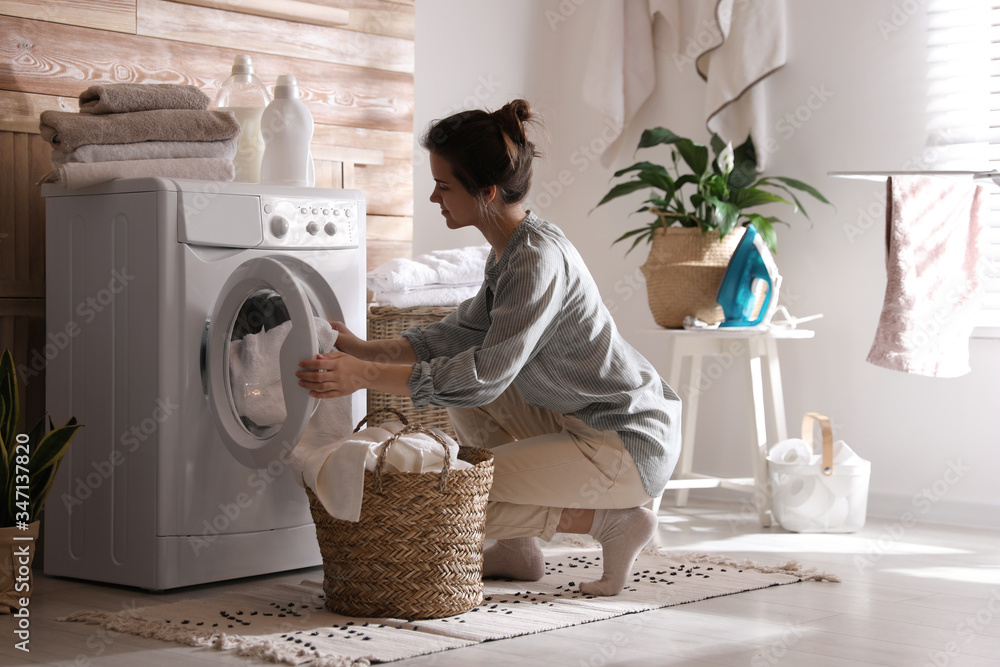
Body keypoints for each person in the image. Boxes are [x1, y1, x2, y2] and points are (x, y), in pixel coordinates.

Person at [296, 99, 681, 597]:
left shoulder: (535, 260)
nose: (435, 196)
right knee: (471, 398)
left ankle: (613, 521)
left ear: (487, 191)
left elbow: (482, 376)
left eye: (444, 185)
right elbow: (455, 337)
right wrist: (364, 349)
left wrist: (362, 376)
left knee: (456, 491)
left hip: (624, 442)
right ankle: (517, 550)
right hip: (588, 420)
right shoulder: (511, 249)